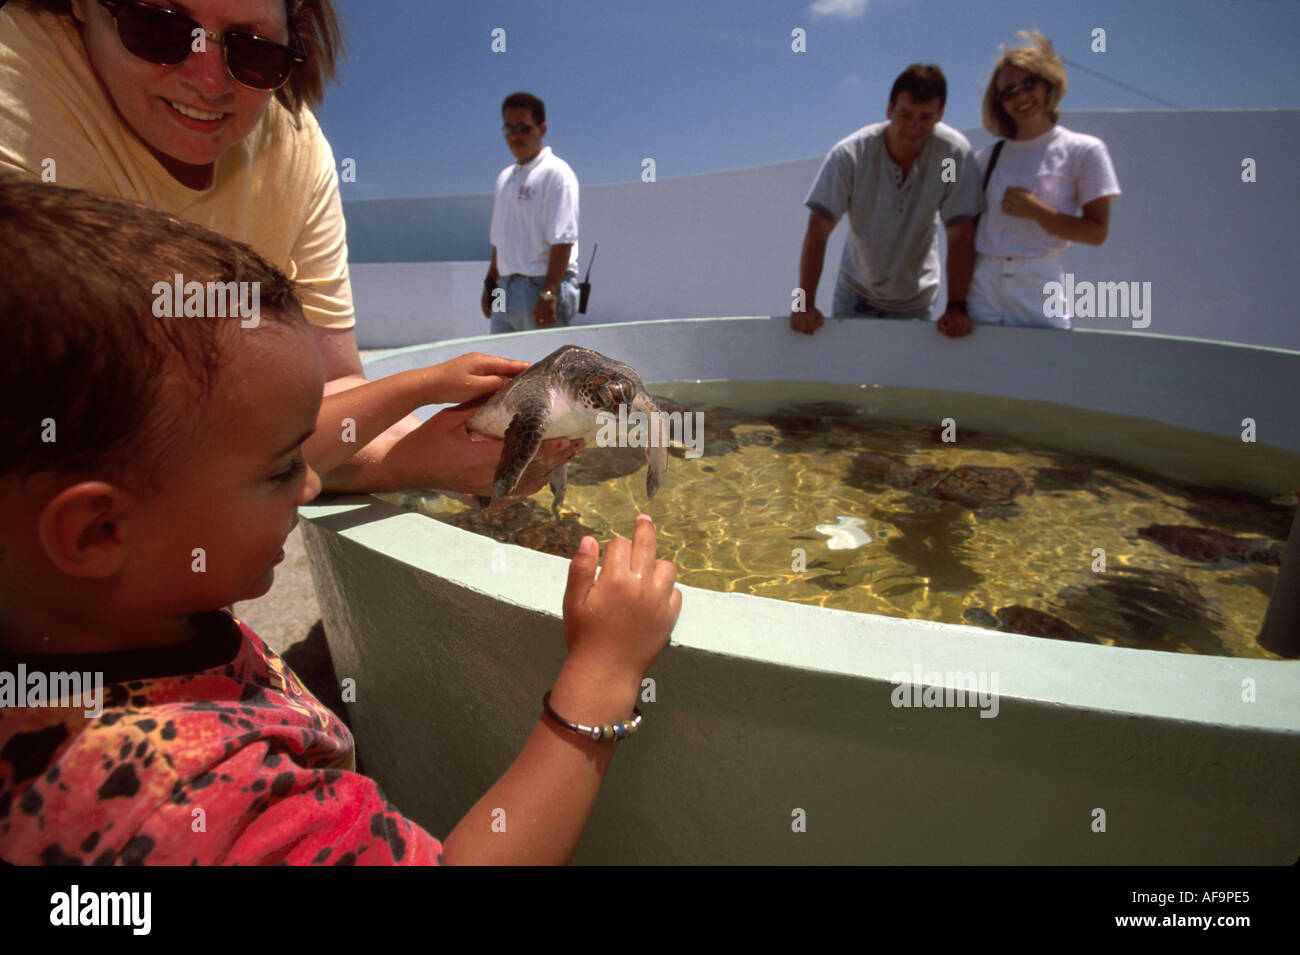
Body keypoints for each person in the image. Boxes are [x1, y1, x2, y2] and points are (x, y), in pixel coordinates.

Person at [0, 179, 682, 865]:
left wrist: (420, 383)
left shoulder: (119, 618)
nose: (315, 481)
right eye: (281, 468)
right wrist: (602, 673)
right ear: (96, 532)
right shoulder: (200, 809)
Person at [0, 0, 577, 498]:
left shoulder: (295, 145)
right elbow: (114, 463)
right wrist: (416, 402)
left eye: (253, 51)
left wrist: (419, 455)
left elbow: (323, 401)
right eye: (159, 28)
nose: (208, 81)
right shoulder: (17, 95)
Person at [791, 64, 984, 338]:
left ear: (941, 114)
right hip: (855, 294)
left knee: (901, 379)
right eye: (905, 114)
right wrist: (804, 304)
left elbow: (960, 234)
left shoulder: (951, 157)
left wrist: (956, 306)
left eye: (926, 116)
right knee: (852, 378)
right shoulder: (851, 155)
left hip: (916, 300)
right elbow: (818, 229)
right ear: (889, 108)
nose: (914, 127)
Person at [960, 31, 1121, 331]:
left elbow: (1096, 232)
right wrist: (956, 303)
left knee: (1042, 375)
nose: (1021, 97)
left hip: (1039, 281)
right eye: (1009, 92)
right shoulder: (986, 158)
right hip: (985, 283)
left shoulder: (1083, 150)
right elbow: (966, 232)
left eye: (1029, 84)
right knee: (982, 374)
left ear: (1049, 84)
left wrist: (1035, 210)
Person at [481, 92, 581, 333]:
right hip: (505, 288)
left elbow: (563, 240)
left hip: (540, 288)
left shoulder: (556, 173)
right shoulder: (505, 178)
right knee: (505, 368)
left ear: (542, 128)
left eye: (523, 128)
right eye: (508, 128)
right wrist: (490, 285)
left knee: (543, 368)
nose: (515, 135)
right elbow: (499, 242)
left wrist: (548, 293)